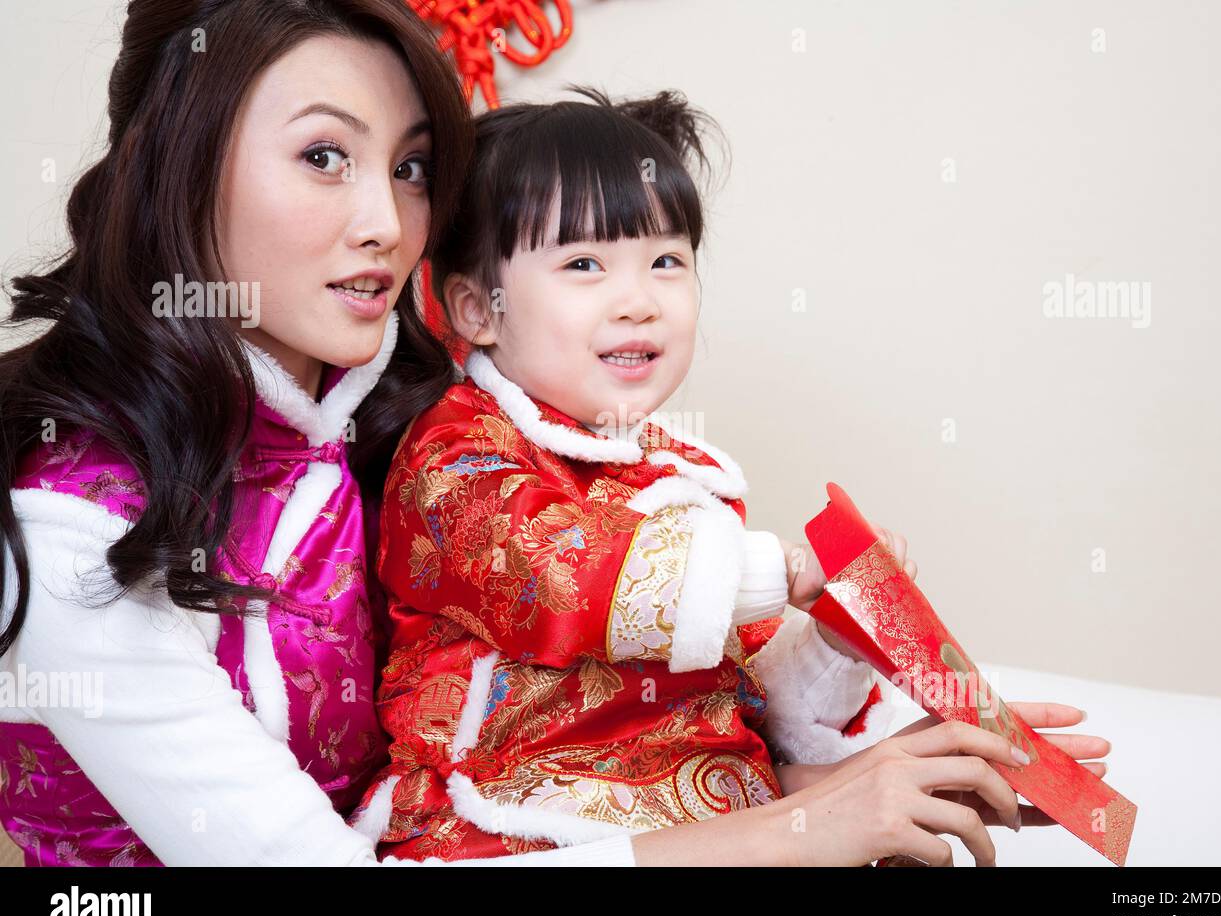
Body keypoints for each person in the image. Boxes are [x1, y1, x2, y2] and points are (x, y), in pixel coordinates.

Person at [0, 0, 1106, 868]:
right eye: (324, 156)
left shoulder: (384, 416)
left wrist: (840, 765)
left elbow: (649, 680)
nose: (387, 223)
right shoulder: (74, 531)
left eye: (412, 166)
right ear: (177, 167)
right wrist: (796, 823)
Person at [351, 87, 1111, 863]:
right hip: (511, 816)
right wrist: (781, 569)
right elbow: (557, 573)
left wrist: (834, 638)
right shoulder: (457, 451)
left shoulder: (687, 472)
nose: (639, 301)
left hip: (699, 808)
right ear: (479, 309)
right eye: (584, 263)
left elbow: (736, 683)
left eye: (667, 262)